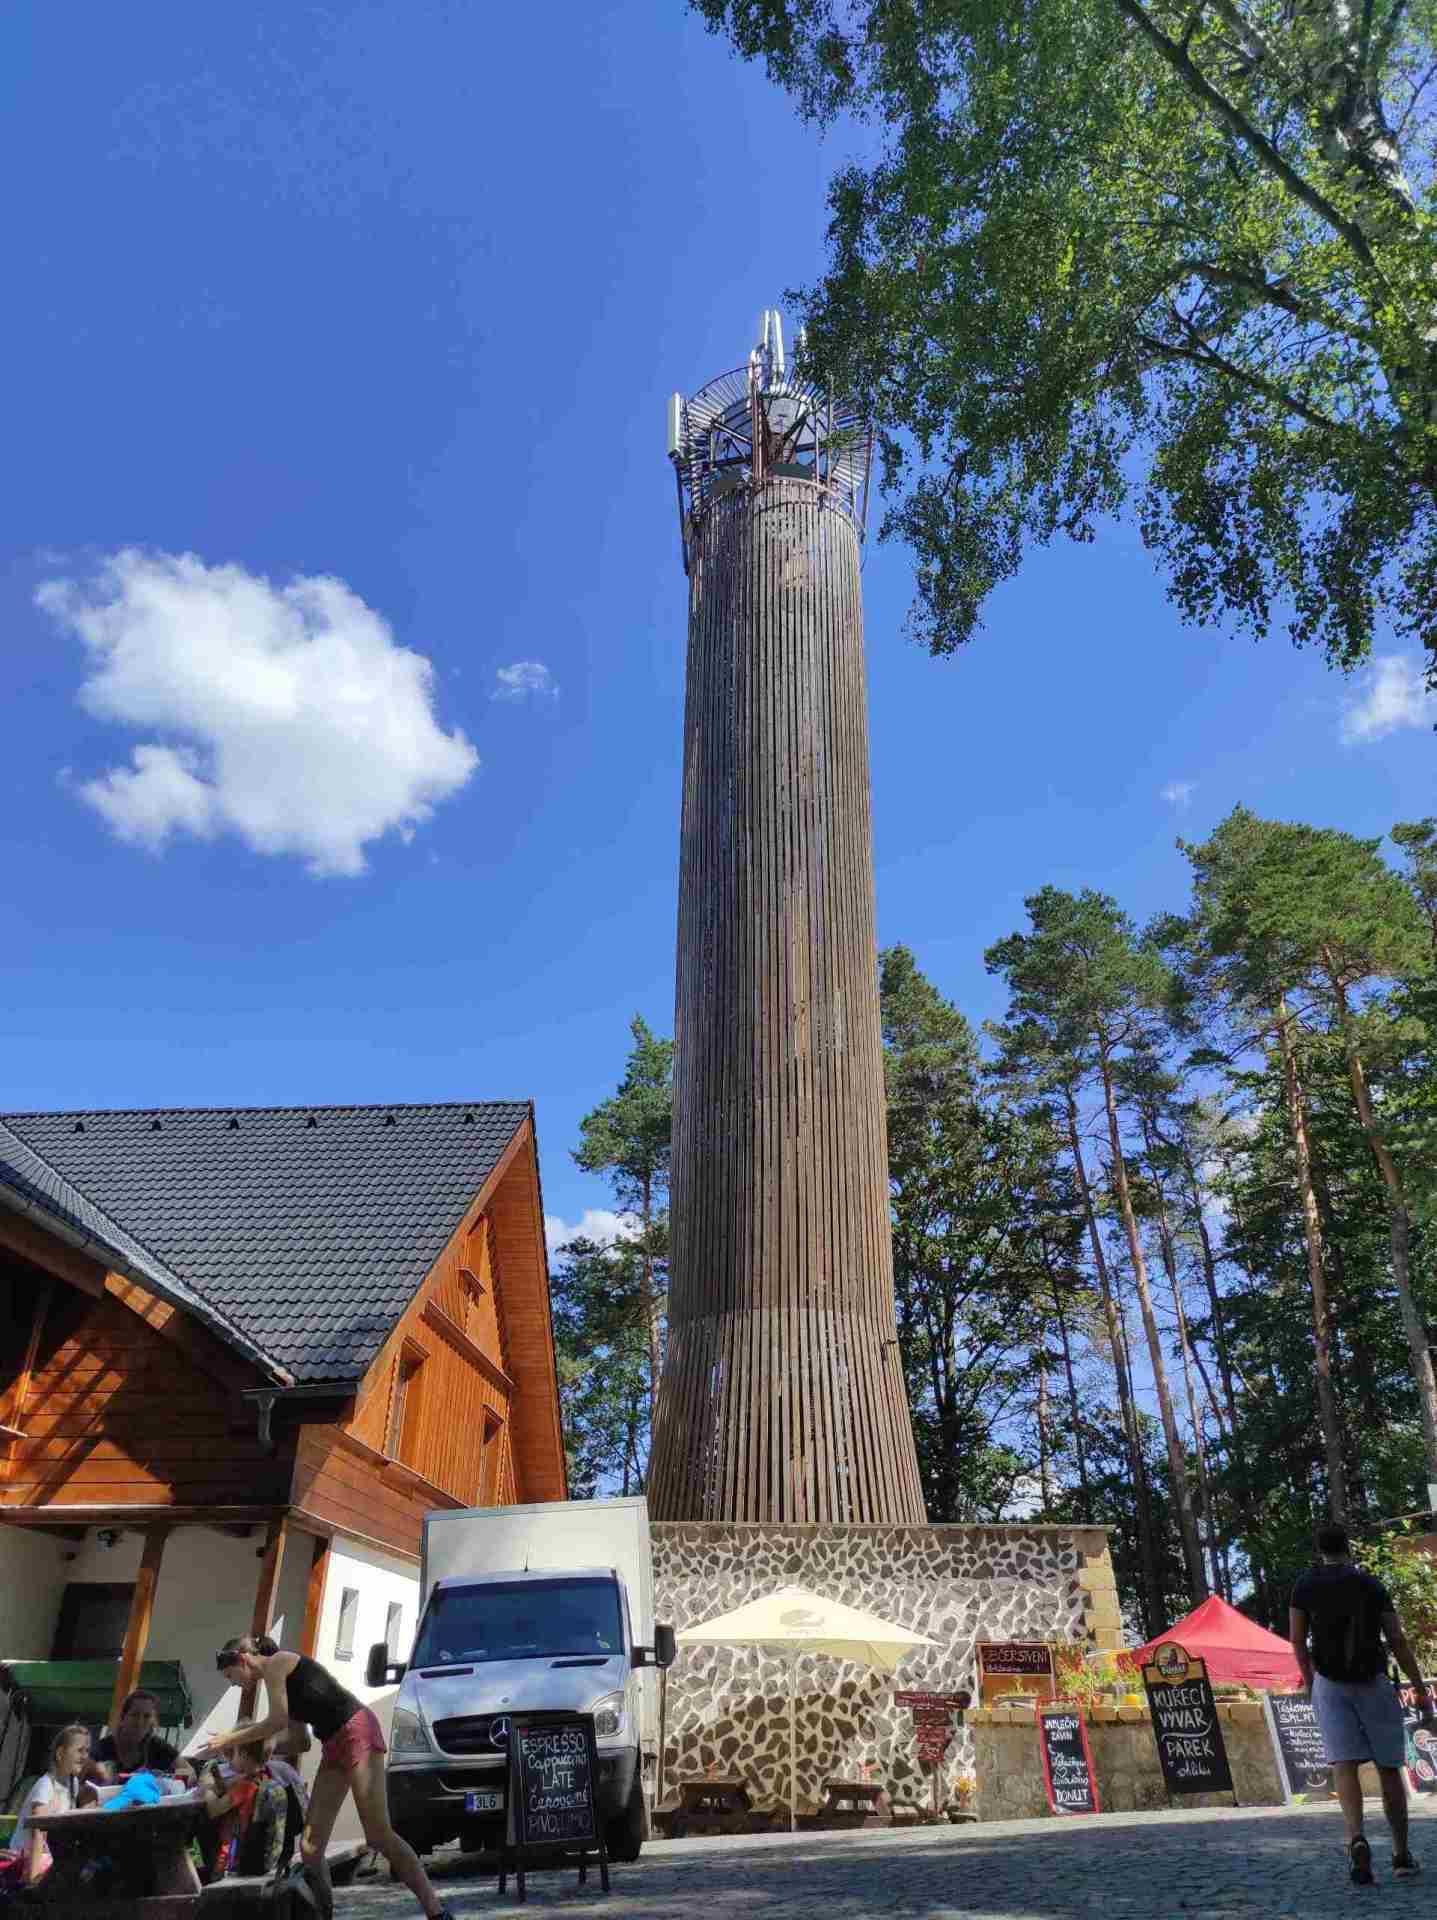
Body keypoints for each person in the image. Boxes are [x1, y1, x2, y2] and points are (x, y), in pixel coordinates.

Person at [199, 1635, 454, 1920]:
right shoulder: (281, 1682)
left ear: (243, 1659)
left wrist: (230, 1738)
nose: (233, 1684)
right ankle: (325, 1915)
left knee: (379, 1835)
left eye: (230, 1676)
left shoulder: (277, 1663)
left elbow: (276, 1721)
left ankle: (437, 1913)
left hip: (357, 1731)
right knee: (310, 1847)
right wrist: (248, 1752)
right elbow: (299, 1741)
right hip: (333, 1744)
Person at [1291, 1521, 1431, 1886]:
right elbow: (1396, 1637)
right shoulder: (1370, 1584)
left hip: (1330, 1684)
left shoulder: (1305, 1585)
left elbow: (1297, 1641)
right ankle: (1400, 1854)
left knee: (1343, 1764)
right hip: (1373, 1682)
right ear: (1348, 1547)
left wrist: (1311, 1683)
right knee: (1389, 1768)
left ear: (1319, 1550)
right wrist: (1419, 1686)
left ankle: (1356, 1837)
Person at [12, 1725, 90, 1886]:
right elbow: (37, 1833)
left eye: (87, 1751)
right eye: (79, 1750)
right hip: (25, 1858)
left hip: (48, 1856)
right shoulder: (45, 1785)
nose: (84, 1757)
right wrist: (32, 1880)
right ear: (60, 1753)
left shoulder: (73, 1784)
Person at [200, 1740, 287, 1881]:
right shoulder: (263, 1779)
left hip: (230, 1858)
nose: (229, 1758)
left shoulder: (244, 1786)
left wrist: (206, 1786)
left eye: (233, 1753)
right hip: (256, 1854)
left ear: (243, 1755)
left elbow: (213, 1809)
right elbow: (230, 1796)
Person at [90, 1689, 195, 1785]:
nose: (140, 1722)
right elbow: (85, 1773)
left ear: (153, 1721)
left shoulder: (159, 1746)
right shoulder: (103, 1747)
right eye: (135, 1715)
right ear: (122, 1718)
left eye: (147, 1716)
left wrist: (166, 1776)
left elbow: (189, 1773)